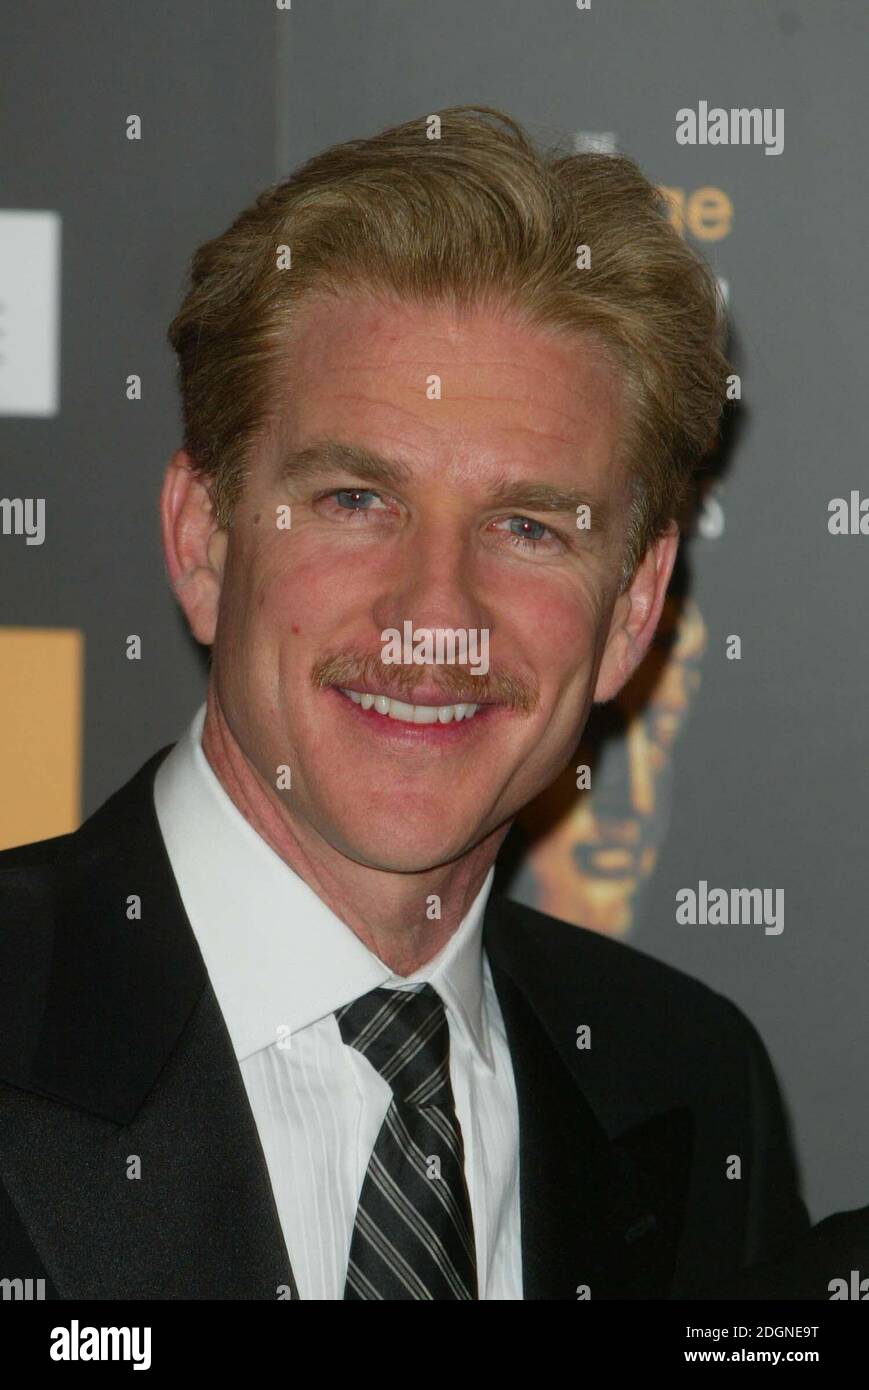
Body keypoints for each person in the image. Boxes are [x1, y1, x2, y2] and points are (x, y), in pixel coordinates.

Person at [0, 106, 810, 1300]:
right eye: (353, 501)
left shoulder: (683, 1084)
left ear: (632, 611)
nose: (435, 613)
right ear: (205, 541)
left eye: (527, 526)